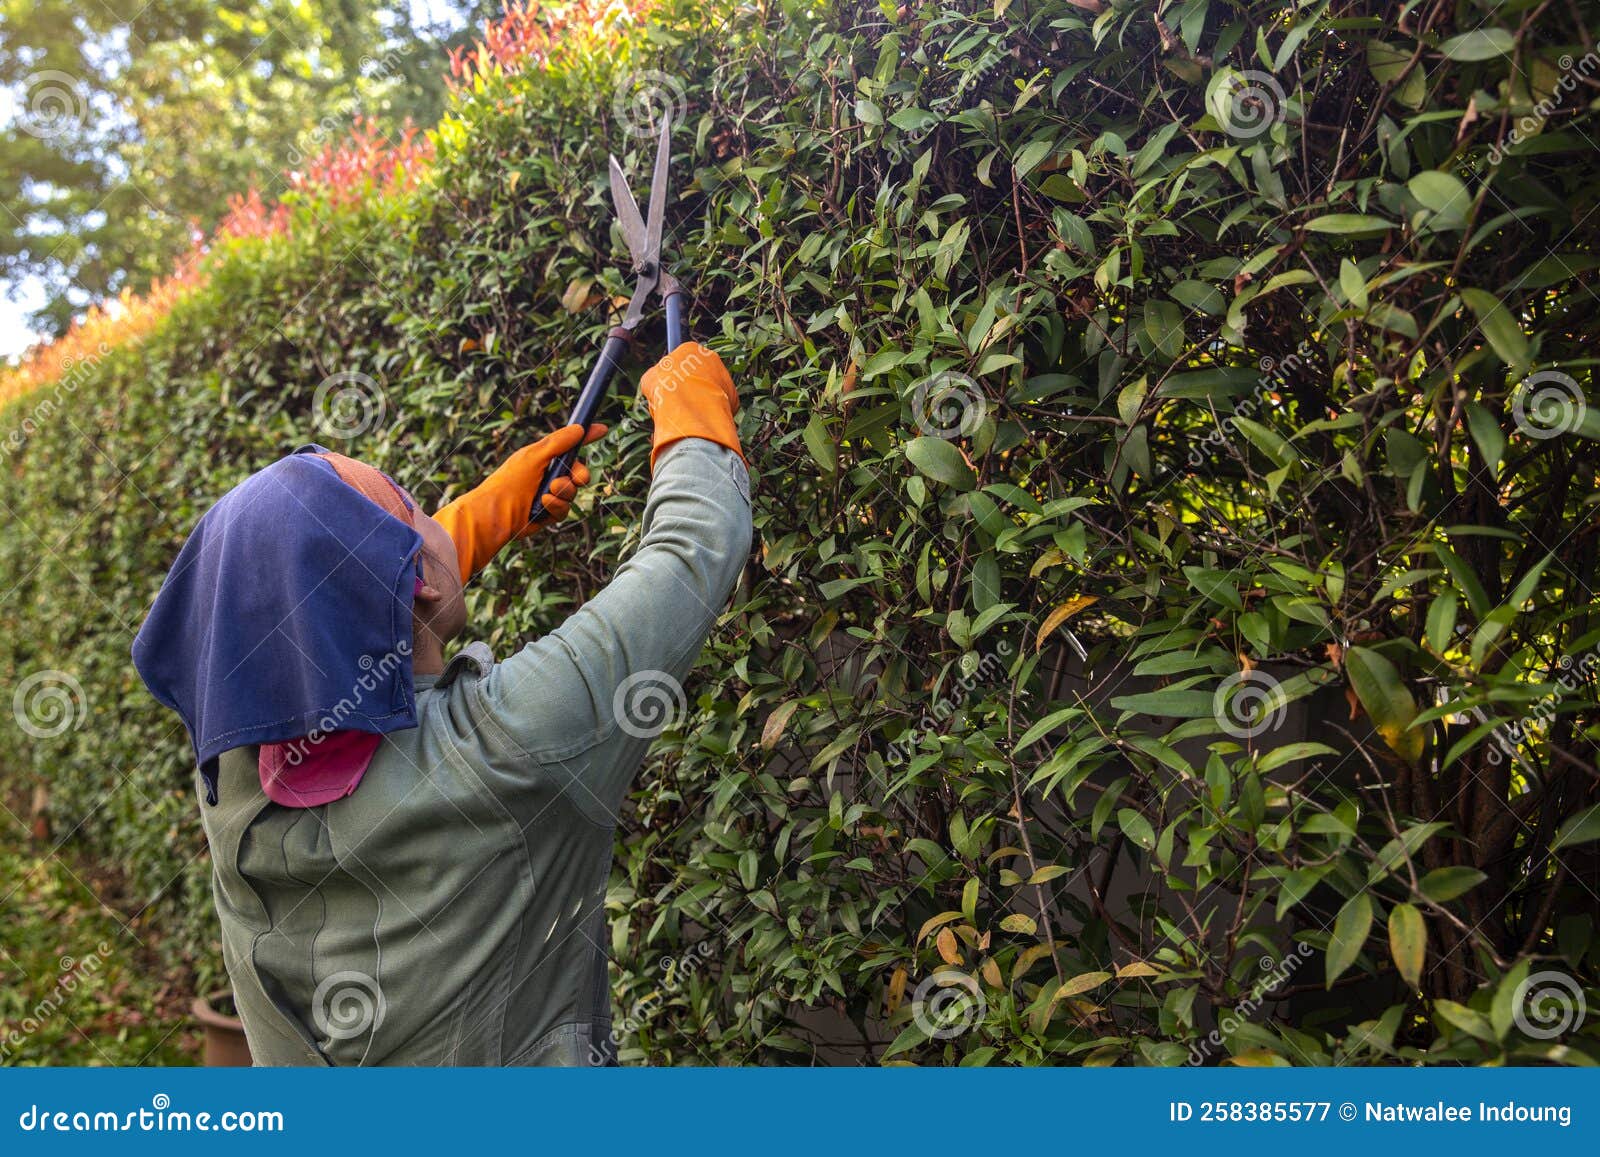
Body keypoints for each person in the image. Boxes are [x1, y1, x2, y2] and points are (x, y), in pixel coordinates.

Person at [132, 344, 750, 1065]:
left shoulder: (232, 775)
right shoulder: (511, 746)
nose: (436, 518)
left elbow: (312, 612)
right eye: (419, 511)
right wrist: (693, 403)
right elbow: (692, 549)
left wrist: (483, 519)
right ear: (416, 579)